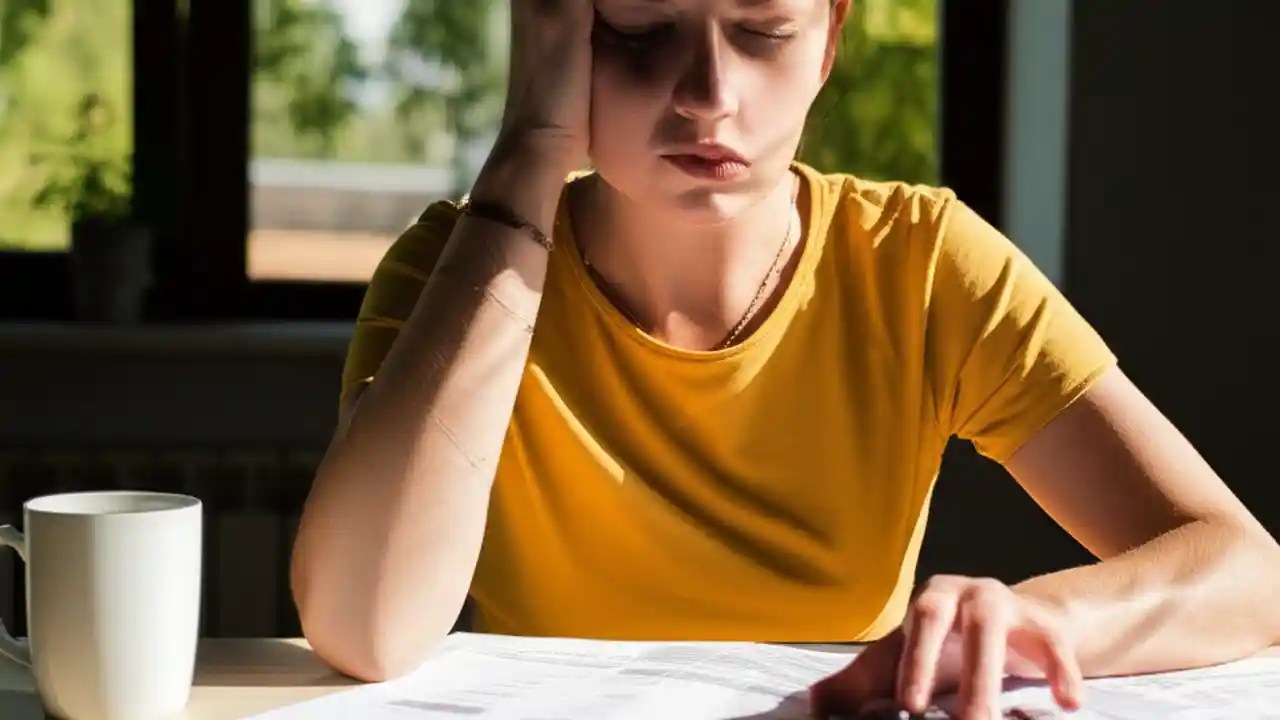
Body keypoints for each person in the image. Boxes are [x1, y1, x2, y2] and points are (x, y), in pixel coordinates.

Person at [289, 0, 1280, 717]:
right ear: (559, 35)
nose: (709, 97)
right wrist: (531, 148)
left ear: (828, 43)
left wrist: (1031, 620)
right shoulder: (454, 269)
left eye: (763, 32)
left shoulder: (920, 266)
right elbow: (363, 627)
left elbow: (1246, 568)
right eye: (640, 31)